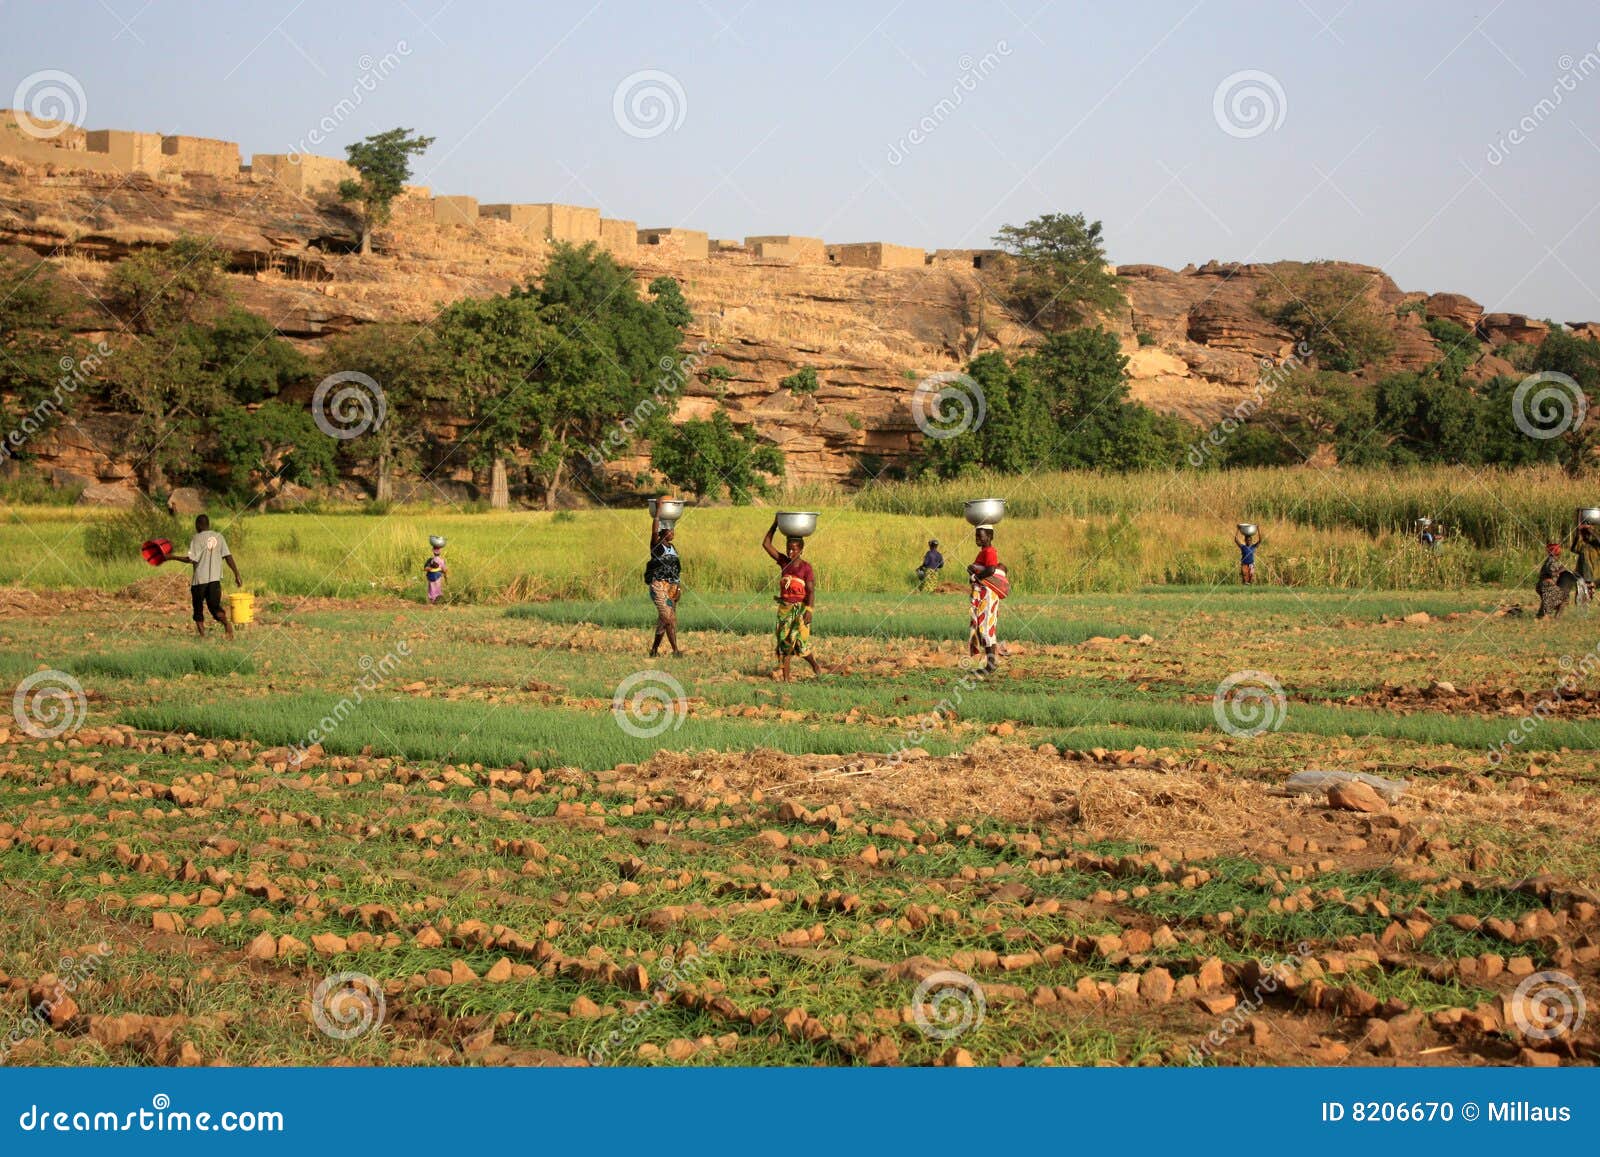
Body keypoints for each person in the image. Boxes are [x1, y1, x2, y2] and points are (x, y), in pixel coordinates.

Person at [160, 513, 240, 639]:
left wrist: (171, 557)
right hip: (215, 581)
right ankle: (227, 625)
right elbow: (228, 557)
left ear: (198, 525)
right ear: (208, 525)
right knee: (214, 607)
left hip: (199, 581)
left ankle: (203, 637)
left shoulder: (196, 538)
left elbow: (191, 559)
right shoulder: (219, 536)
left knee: (198, 609)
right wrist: (237, 574)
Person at [762, 518, 821, 682]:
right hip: (784, 610)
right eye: (789, 548)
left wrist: (809, 610)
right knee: (785, 645)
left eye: (794, 549)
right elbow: (766, 544)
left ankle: (815, 665)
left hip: (801, 610)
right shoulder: (783, 562)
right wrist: (775, 524)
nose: (790, 552)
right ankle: (786, 680)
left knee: (800, 644)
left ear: (801, 550)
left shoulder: (806, 568)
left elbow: (810, 591)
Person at [968, 524, 1008, 674]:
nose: (978, 539)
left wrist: (976, 576)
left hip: (988, 595)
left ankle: (991, 664)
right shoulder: (984, 552)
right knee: (982, 628)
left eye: (981, 536)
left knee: (986, 628)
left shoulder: (990, 551)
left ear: (990, 537)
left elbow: (991, 569)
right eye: (976, 536)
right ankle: (990, 662)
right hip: (983, 593)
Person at [645, 505, 684, 658]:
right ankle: (676, 651)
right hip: (659, 585)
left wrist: (678, 588)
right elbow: (654, 532)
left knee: (664, 619)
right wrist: (659, 512)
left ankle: (654, 650)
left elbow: (676, 569)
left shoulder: (672, 547)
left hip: (671, 587)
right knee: (669, 618)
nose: (673, 533)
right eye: (670, 530)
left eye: (673, 530)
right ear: (663, 532)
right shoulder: (657, 546)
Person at [1536, 543, 1570, 620]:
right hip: (1547, 585)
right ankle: (1556, 618)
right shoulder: (1552, 561)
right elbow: (1552, 573)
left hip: (1543, 585)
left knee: (1548, 601)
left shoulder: (1551, 560)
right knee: (1564, 598)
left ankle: (1540, 616)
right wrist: (1561, 570)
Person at [1569, 523, 1599, 599]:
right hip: (1582, 573)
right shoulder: (1582, 545)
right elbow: (1573, 548)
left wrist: (1592, 531)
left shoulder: (1595, 545)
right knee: (1581, 594)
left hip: (1594, 573)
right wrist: (1578, 533)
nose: (1586, 535)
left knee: (1588, 591)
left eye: (1587, 534)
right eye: (1585, 533)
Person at [424, 536, 448, 605]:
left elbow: (426, 568)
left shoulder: (431, 560)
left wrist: (430, 569)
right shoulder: (440, 560)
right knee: (436, 588)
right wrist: (446, 577)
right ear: (440, 551)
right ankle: (436, 601)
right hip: (435, 577)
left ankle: (433, 601)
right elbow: (445, 570)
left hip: (433, 577)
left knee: (433, 588)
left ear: (432, 551)